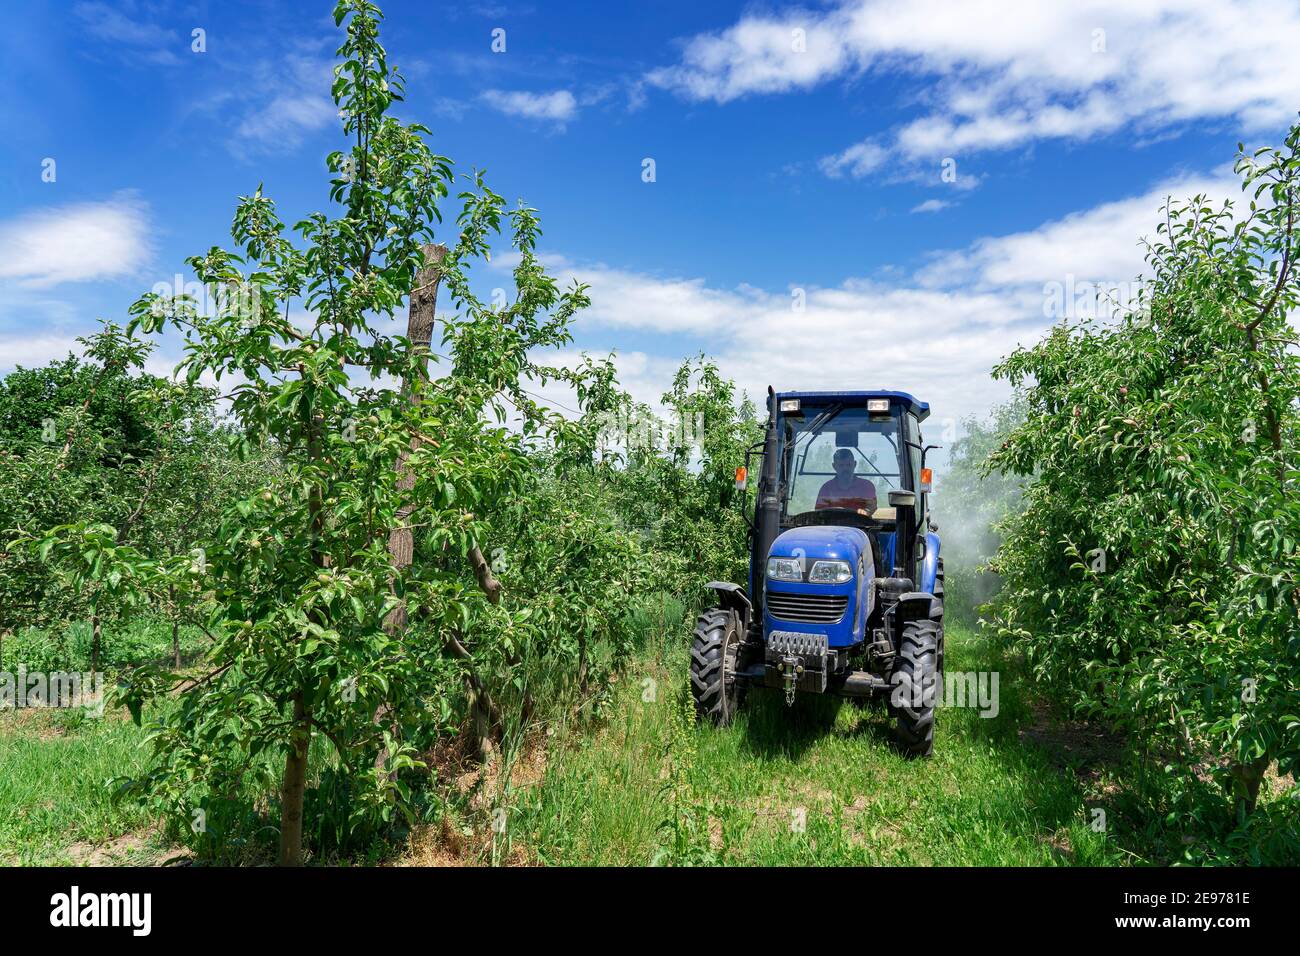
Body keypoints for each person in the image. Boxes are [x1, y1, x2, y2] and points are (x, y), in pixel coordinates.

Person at [815, 447, 877, 512]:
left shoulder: (866, 486)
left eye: (849, 465)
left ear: (855, 464)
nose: (845, 469)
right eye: (841, 465)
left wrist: (866, 511)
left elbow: (871, 507)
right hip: (834, 522)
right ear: (834, 466)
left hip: (860, 521)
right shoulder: (826, 488)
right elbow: (819, 512)